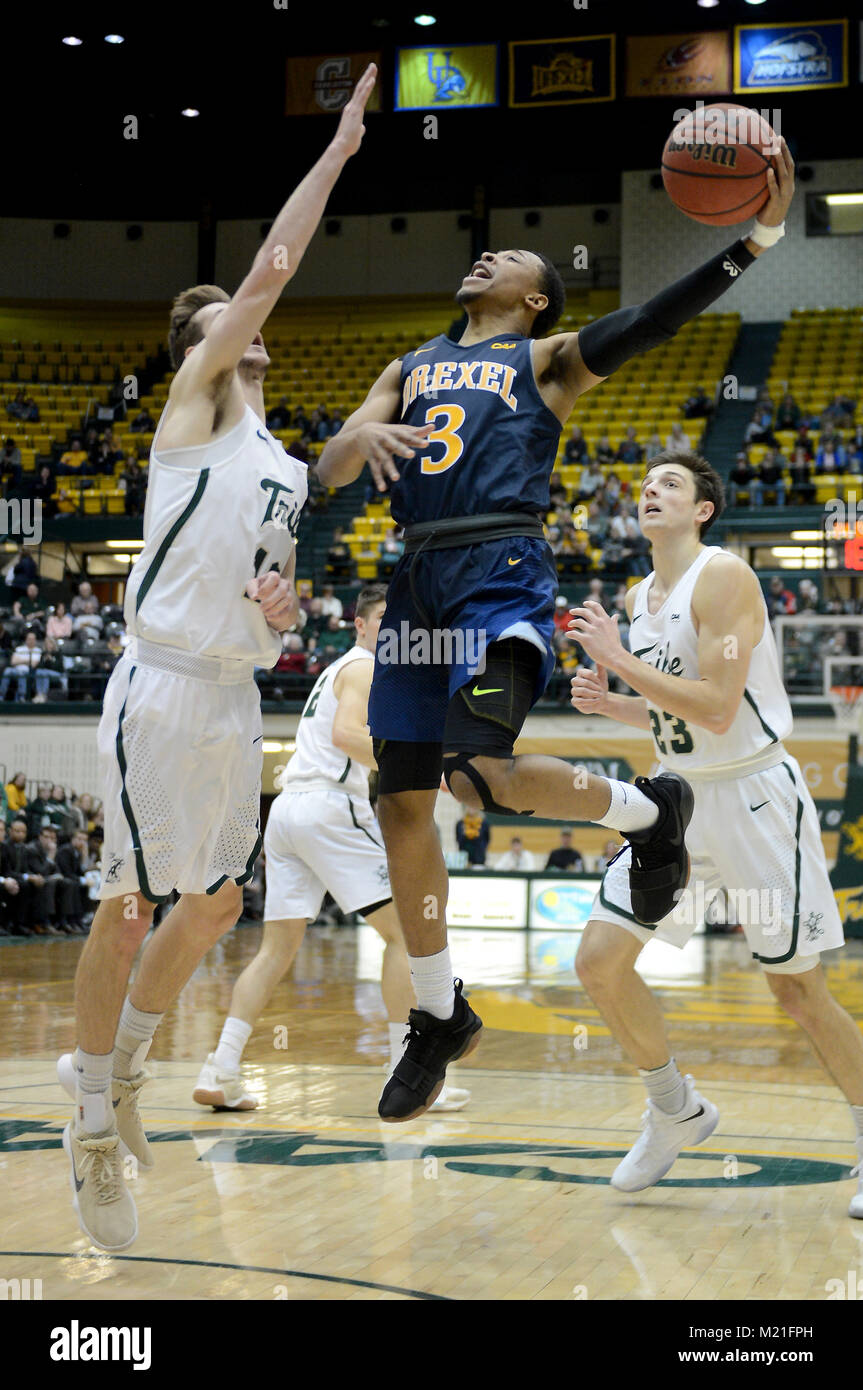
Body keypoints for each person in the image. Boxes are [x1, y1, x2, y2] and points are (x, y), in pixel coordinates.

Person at [317, 139, 795, 1123]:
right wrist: (349, 441)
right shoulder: (409, 364)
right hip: (417, 579)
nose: (488, 259)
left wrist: (747, 246)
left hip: (499, 573)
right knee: (406, 799)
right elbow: (329, 468)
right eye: (483, 255)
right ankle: (441, 1013)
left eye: (511, 260)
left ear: (538, 298)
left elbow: (645, 322)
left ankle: (641, 813)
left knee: (474, 760)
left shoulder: (541, 362)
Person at [54, 65, 378, 1255]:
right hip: (160, 686)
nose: (242, 330)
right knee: (130, 903)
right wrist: (337, 151)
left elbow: (281, 601)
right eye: (220, 324)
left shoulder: (282, 468)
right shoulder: (192, 410)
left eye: (237, 331)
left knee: (218, 900)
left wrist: (286, 612)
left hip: (234, 691)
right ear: (204, 347)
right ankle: (90, 1116)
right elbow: (271, 273)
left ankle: (125, 1072)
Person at [569, 450, 862, 1218]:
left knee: (795, 991)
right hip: (677, 799)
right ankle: (674, 1109)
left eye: (669, 483)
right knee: (599, 961)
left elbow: (718, 708)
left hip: (752, 801)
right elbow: (675, 713)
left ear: (703, 508)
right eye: (643, 484)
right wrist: (613, 704)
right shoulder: (640, 596)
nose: (648, 491)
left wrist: (616, 662)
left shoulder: (725, 575)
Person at [194, 584, 469, 1115]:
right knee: (408, 934)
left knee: (276, 950)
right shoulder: (364, 668)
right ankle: (405, 1073)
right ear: (361, 626)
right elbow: (346, 735)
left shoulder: (334, 670)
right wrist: (420, 770)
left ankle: (222, 1067)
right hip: (327, 804)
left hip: (289, 811)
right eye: (383, 618)